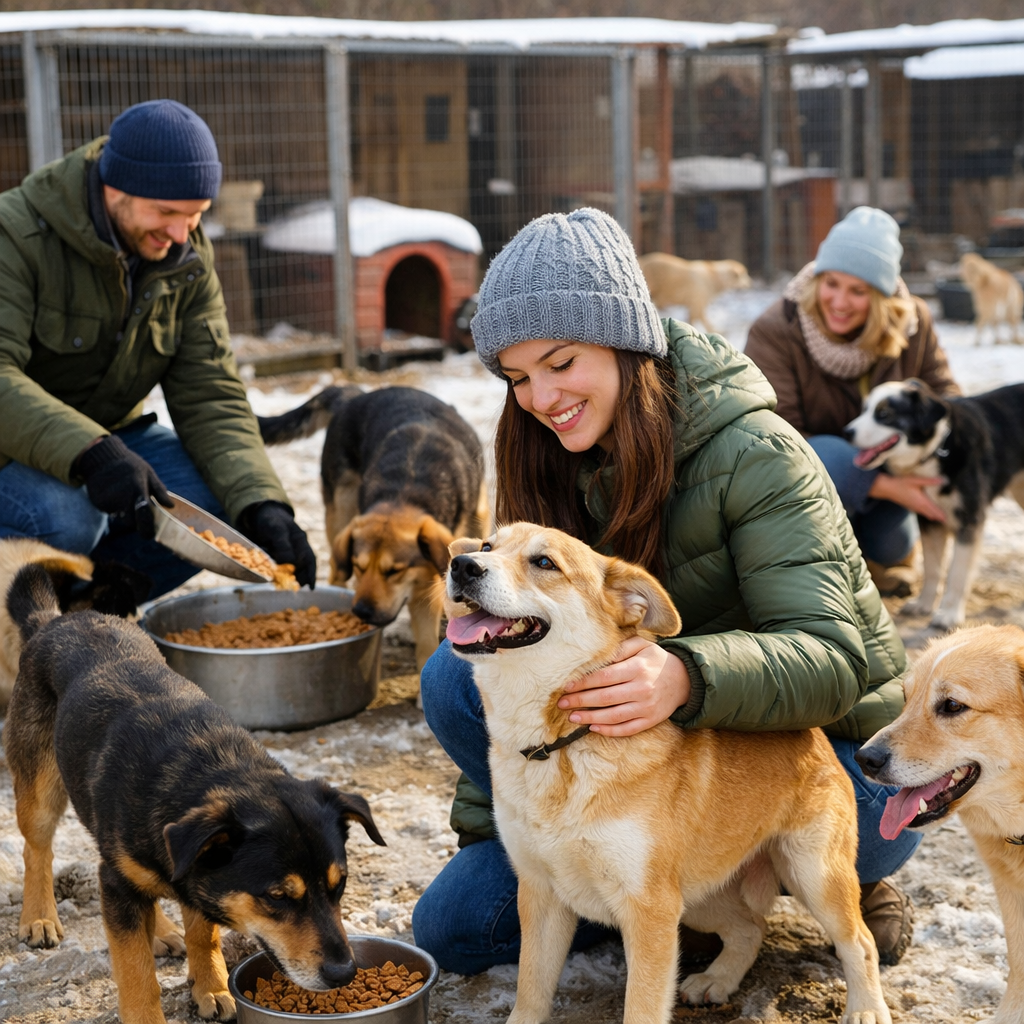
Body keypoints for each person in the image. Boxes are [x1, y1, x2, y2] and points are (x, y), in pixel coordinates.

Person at [412, 207, 920, 977]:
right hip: (631, 765)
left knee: (874, 828)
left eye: (560, 362)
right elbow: (515, 663)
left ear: (625, 343)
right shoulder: (542, 455)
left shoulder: (757, 452)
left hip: (820, 752)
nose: (541, 398)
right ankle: (635, 877)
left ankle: (840, 880)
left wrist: (687, 674)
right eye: (517, 377)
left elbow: (834, 656)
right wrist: (525, 826)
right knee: (454, 916)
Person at [0, 99, 315, 598]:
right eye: (166, 212)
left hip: (104, 441)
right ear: (113, 187)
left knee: (221, 503)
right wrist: (91, 453)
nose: (179, 233)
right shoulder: (13, 235)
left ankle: (91, 615)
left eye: (196, 215)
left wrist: (261, 504)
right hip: (12, 451)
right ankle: (23, 636)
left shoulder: (184, 253)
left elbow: (210, 393)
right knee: (66, 517)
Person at [745, 206, 960, 596]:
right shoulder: (776, 329)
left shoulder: (913, 323)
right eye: (831, 283)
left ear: (881, 296)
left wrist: (941, 461)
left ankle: (883, 560)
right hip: (803, 482)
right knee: (824, 451)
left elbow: (946, 396)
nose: (839, 302)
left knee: (891, 546)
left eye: (858, 291)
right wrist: (887, 487)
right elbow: (774, 436)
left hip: (890, 466)